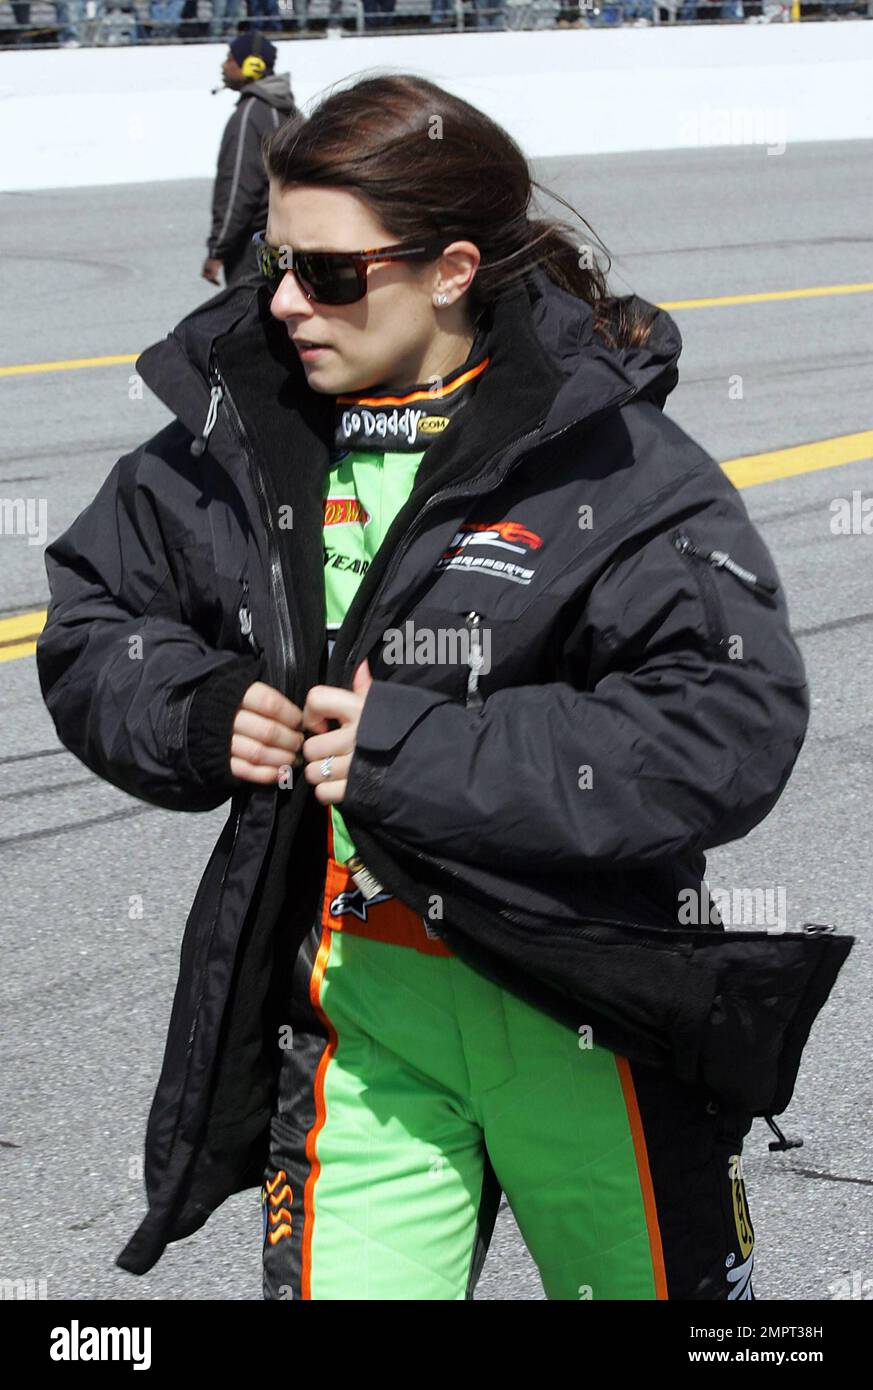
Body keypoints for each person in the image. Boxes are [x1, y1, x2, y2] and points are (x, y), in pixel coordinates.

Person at [36, 74, 851, 1299]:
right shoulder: (240, 431)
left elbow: (725, 724)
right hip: (360, 1023)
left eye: (332, 273)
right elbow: (97, 615)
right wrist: (194, 708)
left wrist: (410, 753)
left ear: (454, 270)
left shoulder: (616, 462)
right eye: (274, 261)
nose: (288, 303)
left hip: (582, 1016)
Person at [203, 32, 296, 289]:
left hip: (254, 249)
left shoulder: (249, 117)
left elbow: (237, 190)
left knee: (249, 319)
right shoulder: (288, 111)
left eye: (230, 58)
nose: (224, 65)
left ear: (251, 66)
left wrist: (217, 250)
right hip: (291, 241)